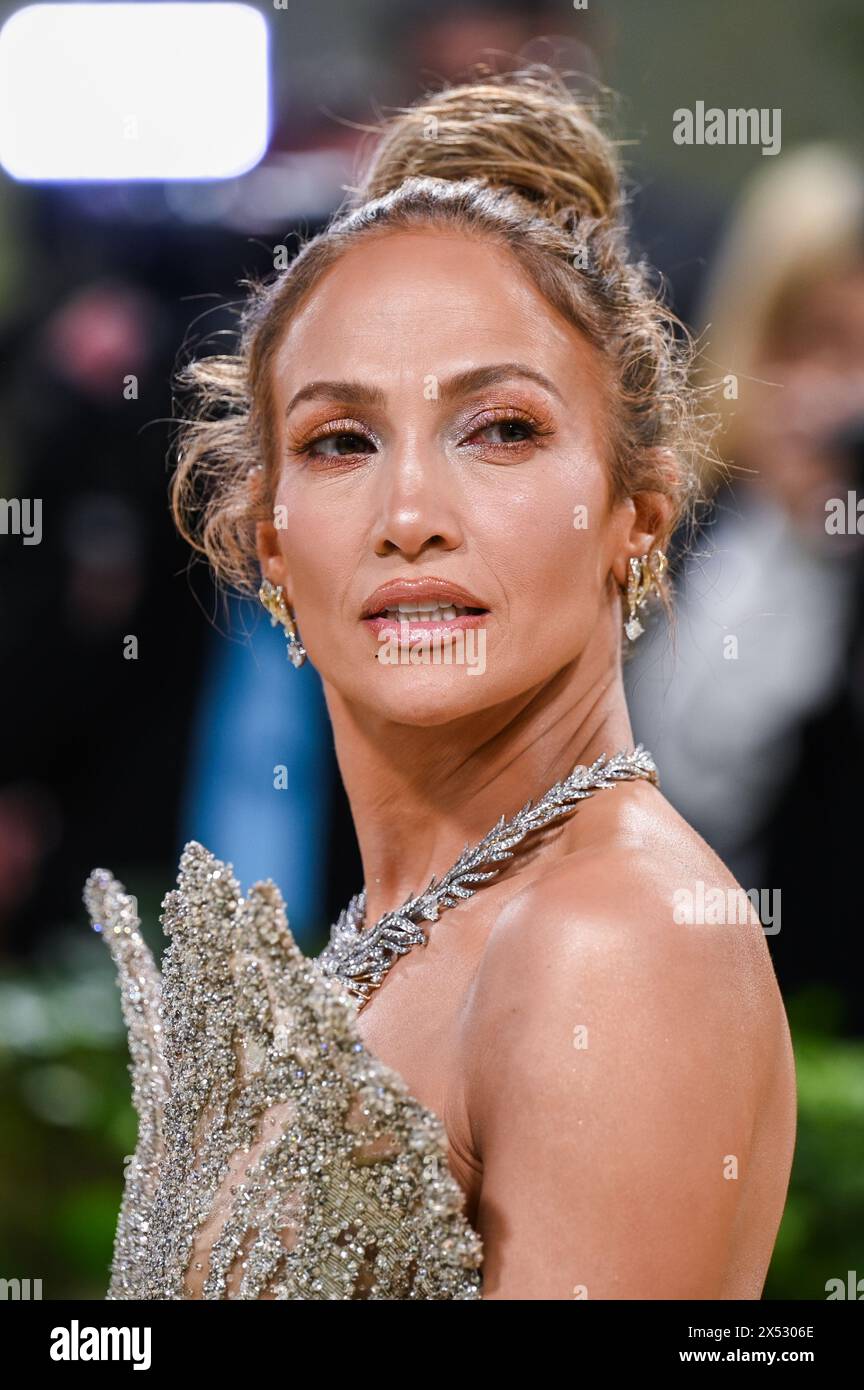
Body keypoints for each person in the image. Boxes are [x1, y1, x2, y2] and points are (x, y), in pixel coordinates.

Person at [83, 67, 796, 1301]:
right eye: (340, 442)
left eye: (503, 429)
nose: (410, 514)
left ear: (638, 513)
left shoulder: (613, 941)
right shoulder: (396, 939)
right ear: (266, 541)